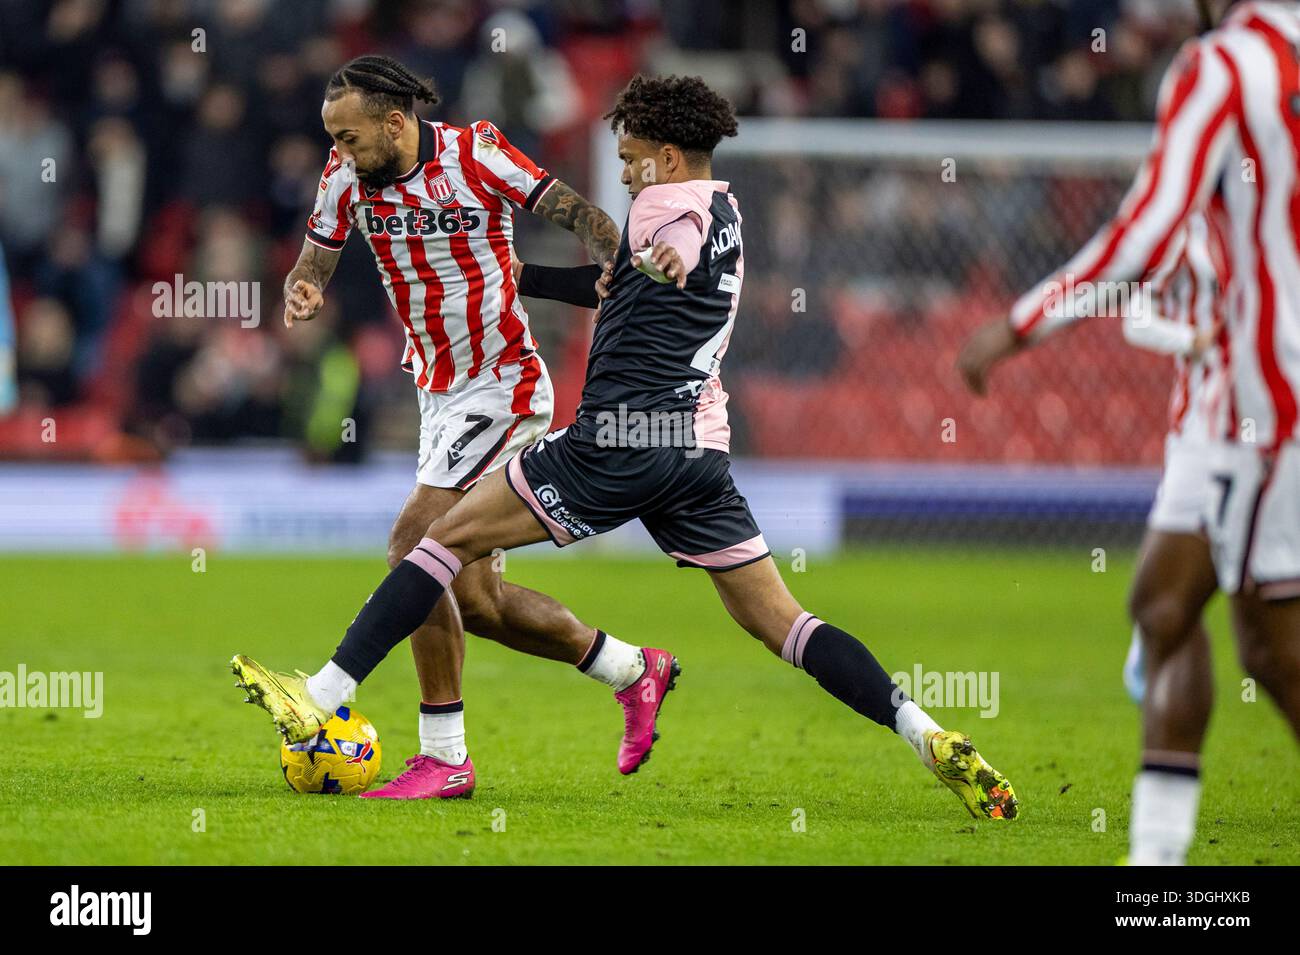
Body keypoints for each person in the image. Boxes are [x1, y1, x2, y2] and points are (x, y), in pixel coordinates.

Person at [236, 74, 1018, 821]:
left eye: (629, 158)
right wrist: (553, 272)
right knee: (787, 624)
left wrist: (658, 253)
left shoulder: (661, 209)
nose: (624, 173)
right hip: (699, 453)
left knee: (434, 543)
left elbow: (659, 243)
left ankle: (329, 694)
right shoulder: (727, 210)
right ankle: (923, 731)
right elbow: (629, 274)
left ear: (666, 158)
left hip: (616, 442)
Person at [266, 54, 676, 799]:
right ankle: (630, 667)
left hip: (504, 383)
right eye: (334, 139)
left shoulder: (475, 150)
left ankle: (414, 738)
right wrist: (303, 288)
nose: (341, 152)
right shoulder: (342, 177)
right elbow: (315, 259)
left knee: (414, 548)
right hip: (437, 394)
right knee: (475, 601)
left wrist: (613, 258)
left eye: (352, 137)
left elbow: (577, 213)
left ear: (396, 123)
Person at [958, 0, 1300, 863]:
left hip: (1273, 400)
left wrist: (1018, 324)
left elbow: (1142, 235)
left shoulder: (1222, 65)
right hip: (1231, 400)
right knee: (1163, 605)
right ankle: (1155, 864)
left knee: (1269, 641)